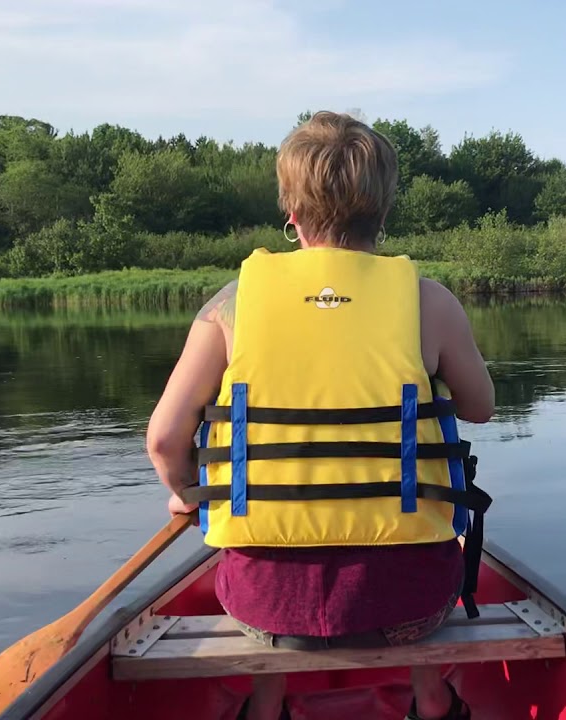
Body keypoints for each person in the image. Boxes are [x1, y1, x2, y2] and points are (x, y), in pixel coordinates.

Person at [146, 111, 495, 720]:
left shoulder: (230, 306)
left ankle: (267, 697)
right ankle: (432, 695)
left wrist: (186, 495)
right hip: (407, 602)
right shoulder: (428, 300)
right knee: (430, 542)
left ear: (291, 210)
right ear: (383, 211)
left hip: (265, 605)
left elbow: (164, 439)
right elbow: (481, 408)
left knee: (271, 606)